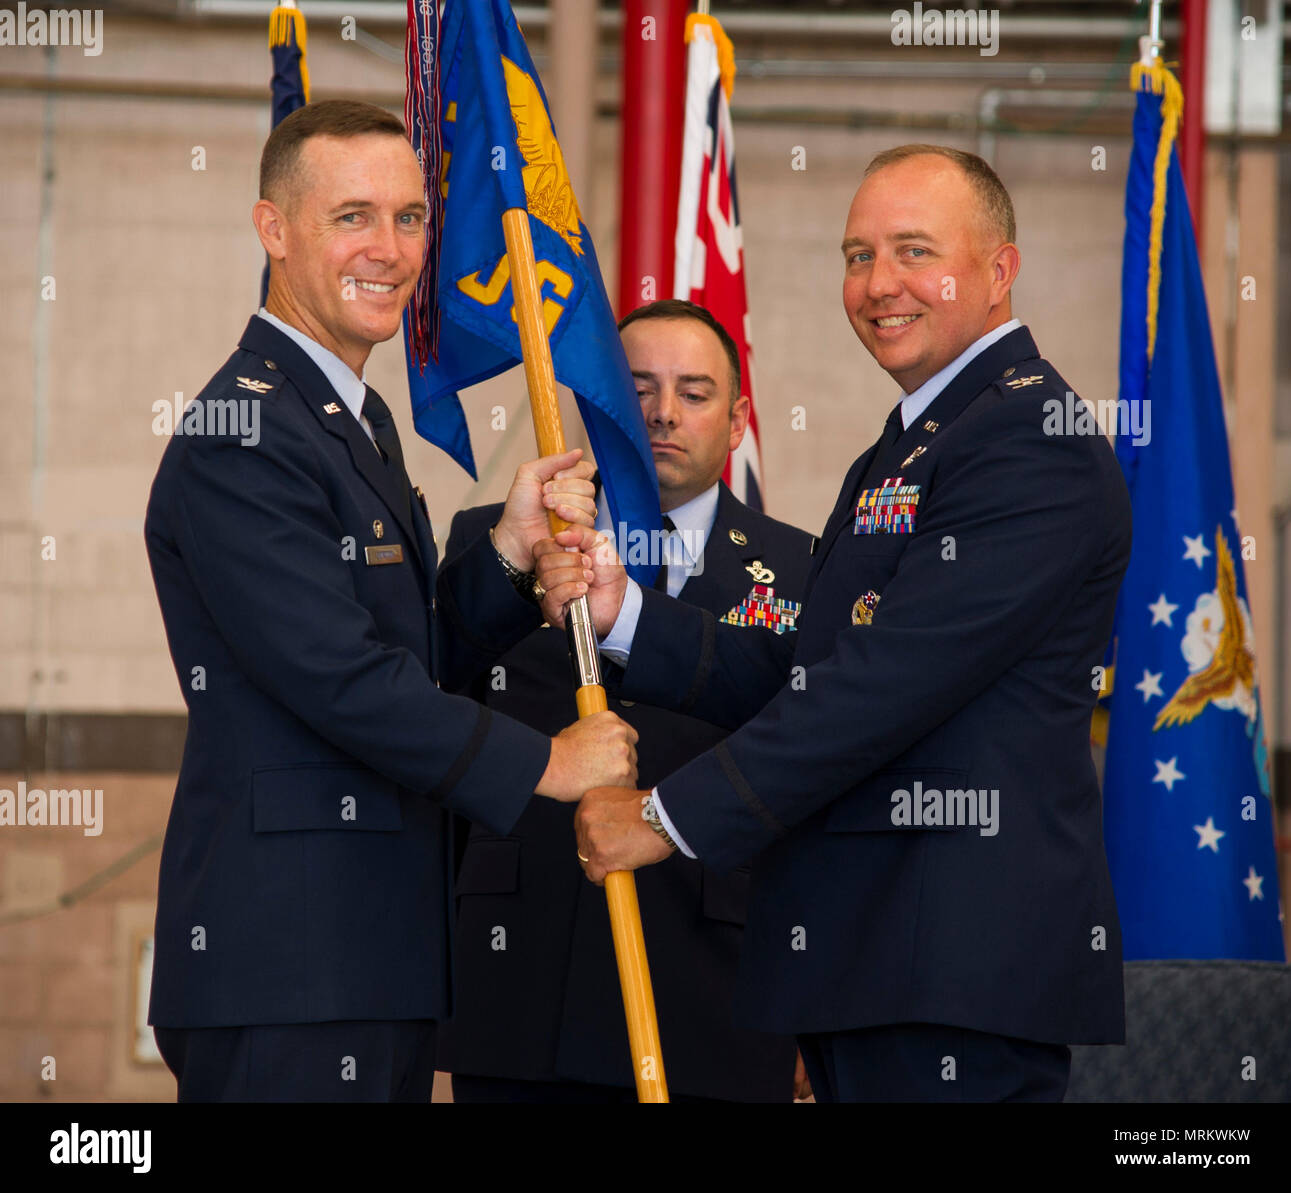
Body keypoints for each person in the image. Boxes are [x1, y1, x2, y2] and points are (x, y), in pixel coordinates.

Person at [536, 145, 1132, 1103]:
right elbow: (814, 668)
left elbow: (882, 686)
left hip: (951, 975)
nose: (878, 283)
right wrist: (627, 617)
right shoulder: (912, 442)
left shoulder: (1030, 441)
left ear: (999, 269)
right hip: (874, 963)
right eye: (858, 255)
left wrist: (664, 817)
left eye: (912, 251)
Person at [143, 100, 637, 1103]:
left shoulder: (343, 417)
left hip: (366, 951)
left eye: (410, 218)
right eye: (352, 217)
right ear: (274, 230)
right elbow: (338, 676)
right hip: (293, 961)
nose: (391, 248)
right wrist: (545, 762)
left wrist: (506, 552)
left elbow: (399, 644)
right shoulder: (246, 429)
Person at [436, 300, 815, 1103]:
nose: (663, 412)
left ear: (739, 418)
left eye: (695, 391)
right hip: (519, 988)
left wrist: (814, 1011)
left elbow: (816, 789)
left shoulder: (803, 569)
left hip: (714, 1001)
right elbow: (436, 740)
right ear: (594, 400)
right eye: (636, 386)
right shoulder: (496, 540)